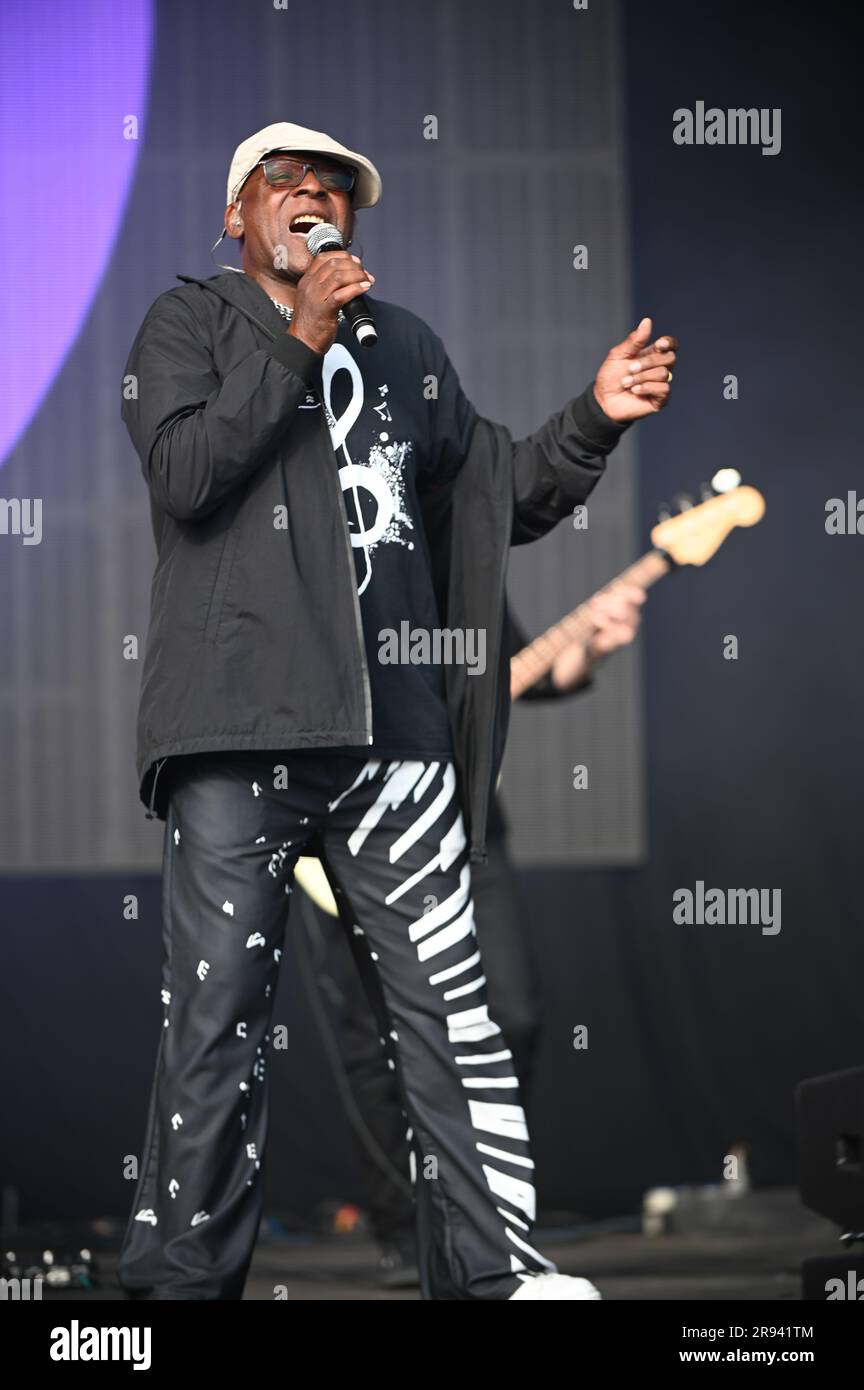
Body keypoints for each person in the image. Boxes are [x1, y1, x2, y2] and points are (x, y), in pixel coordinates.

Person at [117, 120, 677, 1301]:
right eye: (287, 184)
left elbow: (497, 496)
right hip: (240, 730)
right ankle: (177, 1289)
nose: (314, 198)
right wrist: (301, 332)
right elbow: (186, 474)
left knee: (454, 1019)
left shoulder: (407, 346)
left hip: (394, 744)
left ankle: (498, 1273)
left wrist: (595, 415)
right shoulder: (189, 323)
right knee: (216, 1022)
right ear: (237, 215)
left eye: (335, 189)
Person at [325, 586, 647, 1284]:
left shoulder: (465, 556)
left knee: (513, 1014)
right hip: (356, 828)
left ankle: (481, 1204)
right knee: (376, 1037)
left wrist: (588, 646)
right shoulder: (334, 557)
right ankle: (403, 1225)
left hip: (469, 832)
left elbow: (523, 675)